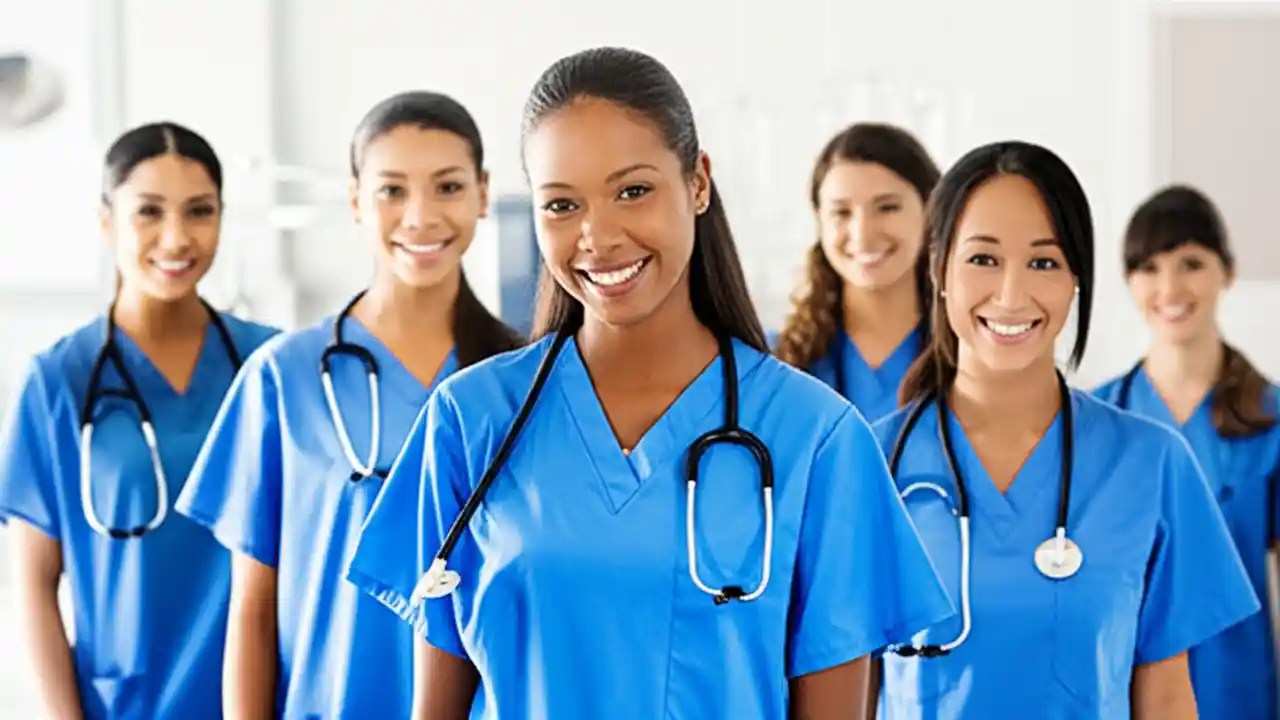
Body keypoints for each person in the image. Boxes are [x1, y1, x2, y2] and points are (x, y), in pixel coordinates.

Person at [345, 46, 954, 720]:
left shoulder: (816, 436)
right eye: (561, 205)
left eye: (633, 190)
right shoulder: (470, 420)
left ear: (697, 183)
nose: (597, 236)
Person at [873, 141, 1260, 719]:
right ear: (938, 270)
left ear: (1076, 279)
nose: (1010, 294)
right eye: (982, 259)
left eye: (1044, 262)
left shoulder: (1151, 463)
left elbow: (1167, 697)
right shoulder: (870, 462)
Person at [173, 92, 522, 719]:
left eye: (447, 186)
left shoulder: (520, 381)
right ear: (356, 202)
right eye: (392, 190)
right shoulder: (284, 378)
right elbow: (252, 610)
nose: (420, 216)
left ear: (484, 193)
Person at [0, 122, 279, 719]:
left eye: (199, 211)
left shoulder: (270, 366)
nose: (176, 238)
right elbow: (34, 587)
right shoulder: (59, 380)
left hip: (259, 700)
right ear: (107, 222)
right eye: (148, 212)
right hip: (124, 703)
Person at [1093, 185, 1280, 720]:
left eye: (1191, 263)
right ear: (1129, 282)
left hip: (1237, 695)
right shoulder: (1098, 420)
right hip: (1121, 695)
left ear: (1228, 272)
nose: (1169, 286)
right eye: (1149, 267)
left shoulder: (1272, 419)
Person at [775, 122, 939, 421]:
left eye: (887, 208)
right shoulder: (774, 363)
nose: (862, 235)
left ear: (931, 212)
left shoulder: (972, 359)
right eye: (841, 212)